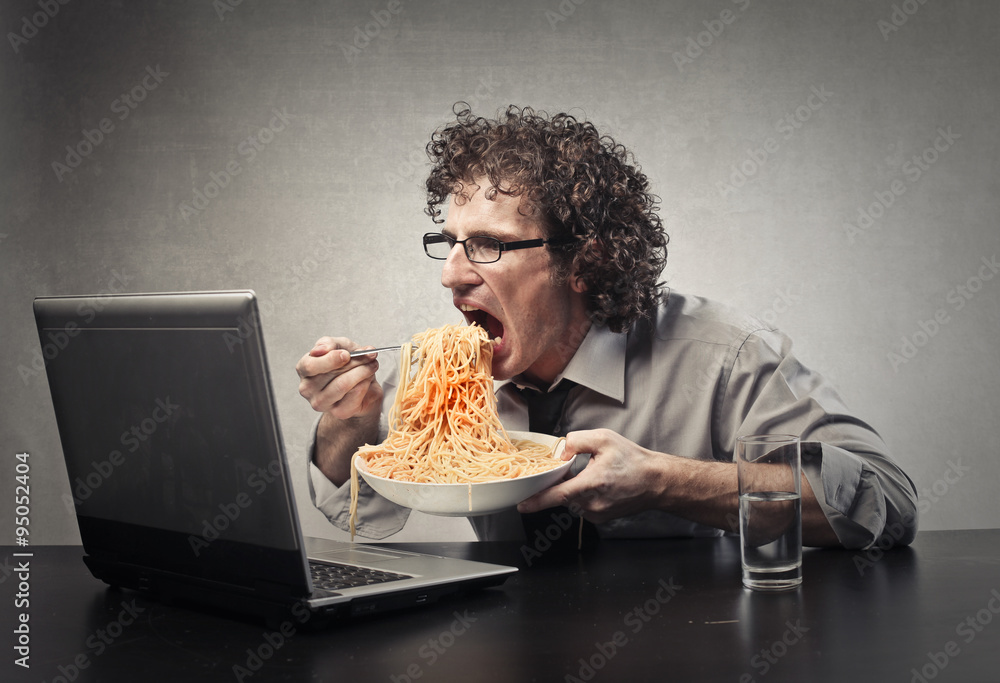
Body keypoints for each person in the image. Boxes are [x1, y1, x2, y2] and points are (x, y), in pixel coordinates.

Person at [296, 103, 918, 549]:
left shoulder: (725, 357)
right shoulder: (436, 375)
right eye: (449, 242)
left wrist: (667, 483)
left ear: (584, 261)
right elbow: (363, 517)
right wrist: (344, 425)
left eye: (489, 245)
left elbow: (886, 502)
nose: (451, 275)